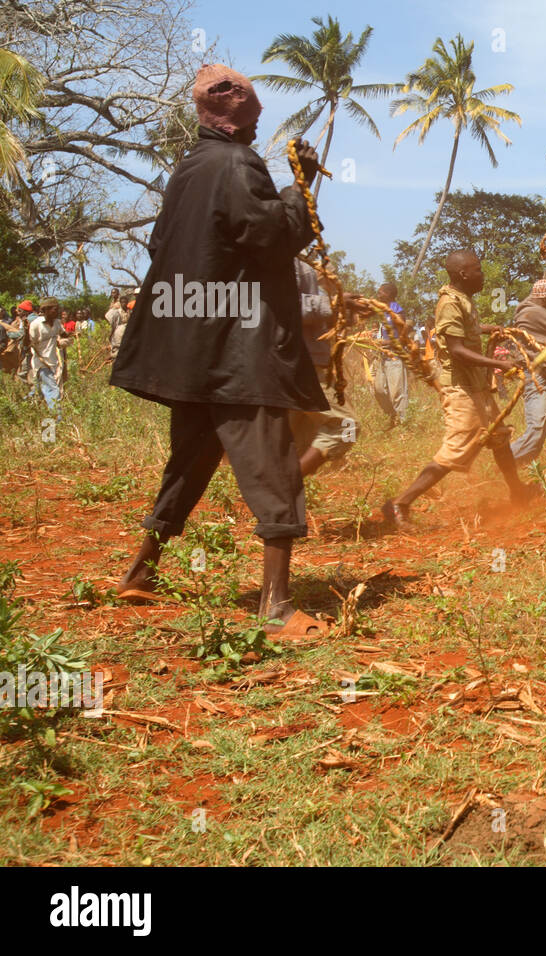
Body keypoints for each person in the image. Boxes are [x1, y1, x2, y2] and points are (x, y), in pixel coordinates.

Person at [110, 63, 329, 638]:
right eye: (256, 116)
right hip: (240, 350)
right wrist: (301, 182)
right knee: (275, 470)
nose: (259, 128)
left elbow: (165, 245)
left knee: (189, 462)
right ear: (236, 112)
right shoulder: (236, 165)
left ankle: (139, 573)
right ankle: (276, 606)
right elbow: (272, 238)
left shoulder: (189, 169)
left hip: (195, 352)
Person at [381, 249, 537, 529]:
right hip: (462, 388)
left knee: (499, 438)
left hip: (475, 386)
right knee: (455, 450)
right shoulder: (450, 303)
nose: (482, 274)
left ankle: (518, 491)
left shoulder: (464, 299)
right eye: (478, 269)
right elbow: (456, 350)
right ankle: (399, 504)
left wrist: (489, 328)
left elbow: (467, 332)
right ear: (463, 274)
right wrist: (499, 364)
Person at [291, 258, 362, 478]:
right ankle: (287, 484)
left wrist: (345, 312)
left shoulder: (304, 266)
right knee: (348, 427)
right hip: (301, 364)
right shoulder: (288, 263)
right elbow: (282, 306)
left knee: (296, 438)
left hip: (311, 364)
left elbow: (318, 320)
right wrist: (333, 303)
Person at [508, 278, 546, 466]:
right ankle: (505, 463)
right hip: (538, 378)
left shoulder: (531, 310)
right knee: (536, 431)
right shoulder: (533, 313)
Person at [371, 281, 410, 428]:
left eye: (381, 292)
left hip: (394, 357)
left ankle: (403, 425)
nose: (378, 294)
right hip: (382, 357)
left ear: (388, 294)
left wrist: (386, 343)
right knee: (378, 389)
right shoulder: (383, 311)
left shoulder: (397, 311)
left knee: (397, 393)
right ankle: (392, 416)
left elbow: (403, 338)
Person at [28, 297, 69, 413]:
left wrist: (69, 337)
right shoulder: (36, 324)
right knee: (53, 389)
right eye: (54, 310)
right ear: (45, 310)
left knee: (41, 389)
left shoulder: (57, 323)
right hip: (42, 363)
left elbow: (63, 333)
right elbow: (30, 343)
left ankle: (28, 403)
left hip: (54, 362)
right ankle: (56, 417)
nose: (57, 312)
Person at [106, 290, 129, 361]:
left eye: (125, 302)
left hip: (127, 331)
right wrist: (111, 334)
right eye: (122, 302)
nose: (123, 304)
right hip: (118, 331)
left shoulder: (130, 311)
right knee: (117, 347)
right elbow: (114, 325)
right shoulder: (117, 312)